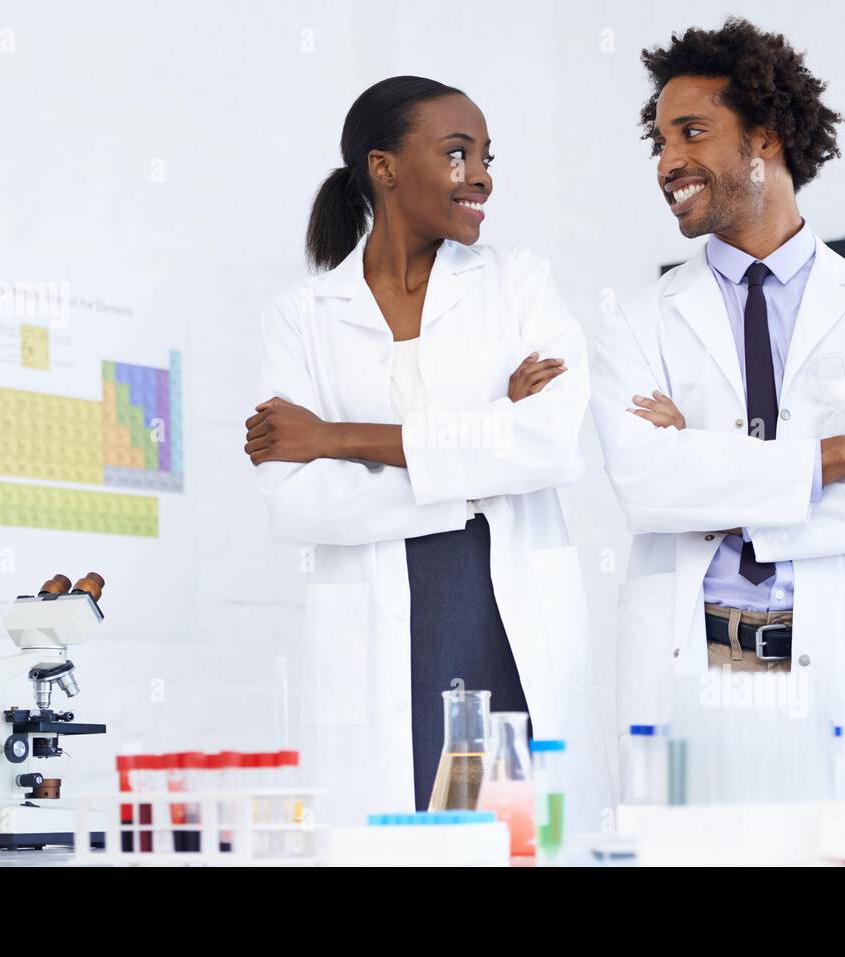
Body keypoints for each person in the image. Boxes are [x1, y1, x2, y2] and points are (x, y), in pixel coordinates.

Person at [591, 19, 845, 796]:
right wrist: (844, 455)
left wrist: (717, 485)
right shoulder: (634, 321)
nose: (669, 162)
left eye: (691, 132)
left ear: (765, 137)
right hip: (701, 657)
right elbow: (646, 486)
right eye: (659, 141)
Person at [248, 76, 608, 825]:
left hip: (503, 614)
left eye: (485, 157)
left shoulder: (518, 283)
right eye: (456, 152)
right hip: (380, 634)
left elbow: (549, 444)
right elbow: (298, 500)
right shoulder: (302, 317)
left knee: (519, 830)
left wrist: (336, 438)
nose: (479, 175)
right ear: (384, 167)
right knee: (405, 828)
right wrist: (481, 451)